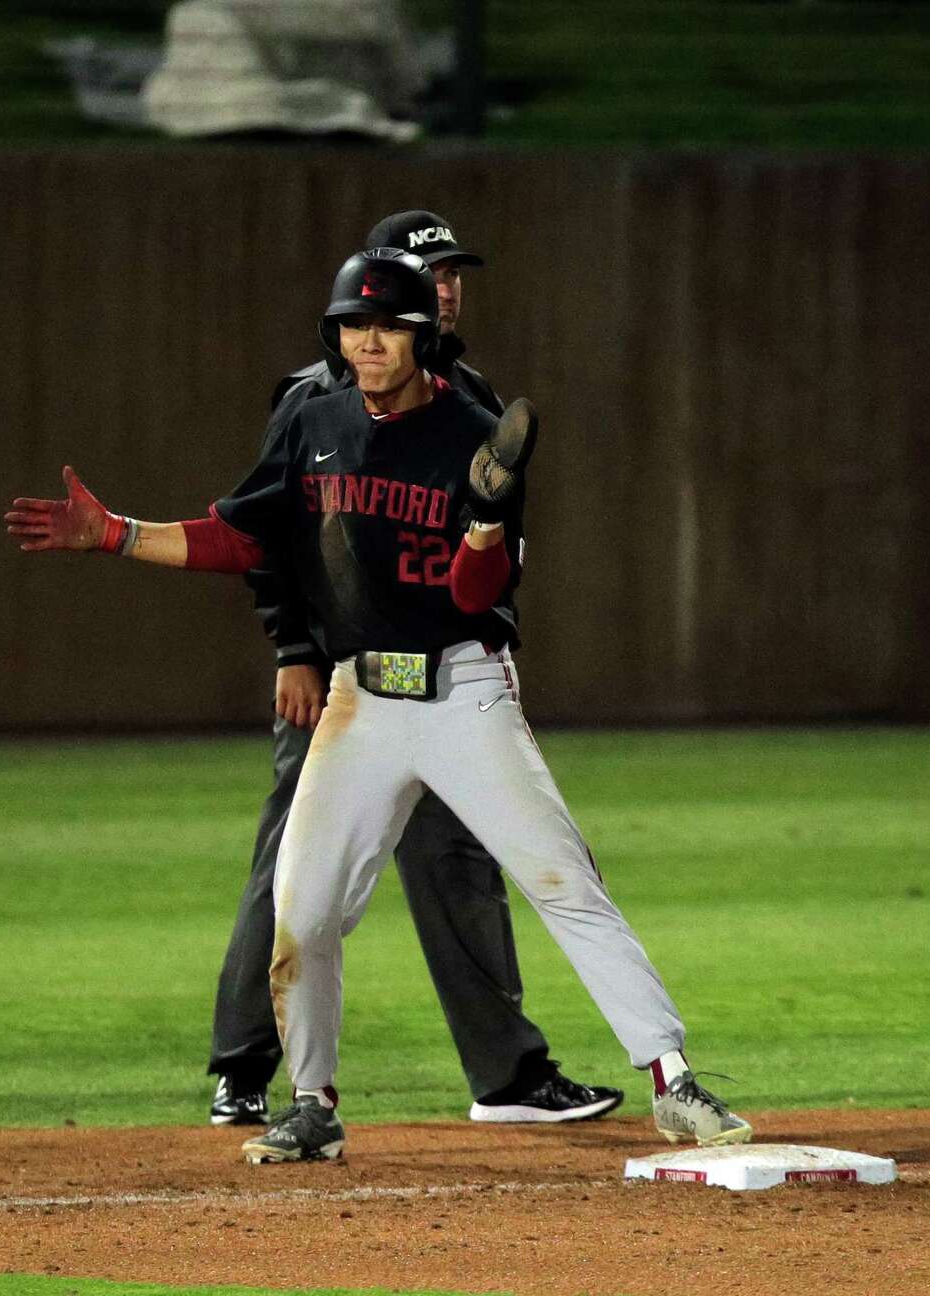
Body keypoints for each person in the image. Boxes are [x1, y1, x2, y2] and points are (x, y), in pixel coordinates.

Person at [4, 247, 754, 1164]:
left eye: (388, 327)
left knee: (561, 879)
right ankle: (311, 1103)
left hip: (463, 693)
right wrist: (116, 534)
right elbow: (242, 539)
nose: (368, 343)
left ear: (422, 338)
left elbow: (477, 594)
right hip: (359, 700)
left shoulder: (474, 433)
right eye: (353, 326)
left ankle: (673, 1080)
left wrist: (487, 516)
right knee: (304, 908)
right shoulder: (312, 420)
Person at [210, 209, 623, 1130]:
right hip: (338, 678)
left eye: (451, 274)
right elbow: (265, 532)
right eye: (424, 274)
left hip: (440, 678)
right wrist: (292, 647)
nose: (444, 288)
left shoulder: (467, 395)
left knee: (460, 863)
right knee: (295, 870)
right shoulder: (316, 394)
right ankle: (243, 1068)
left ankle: (507, 1075)